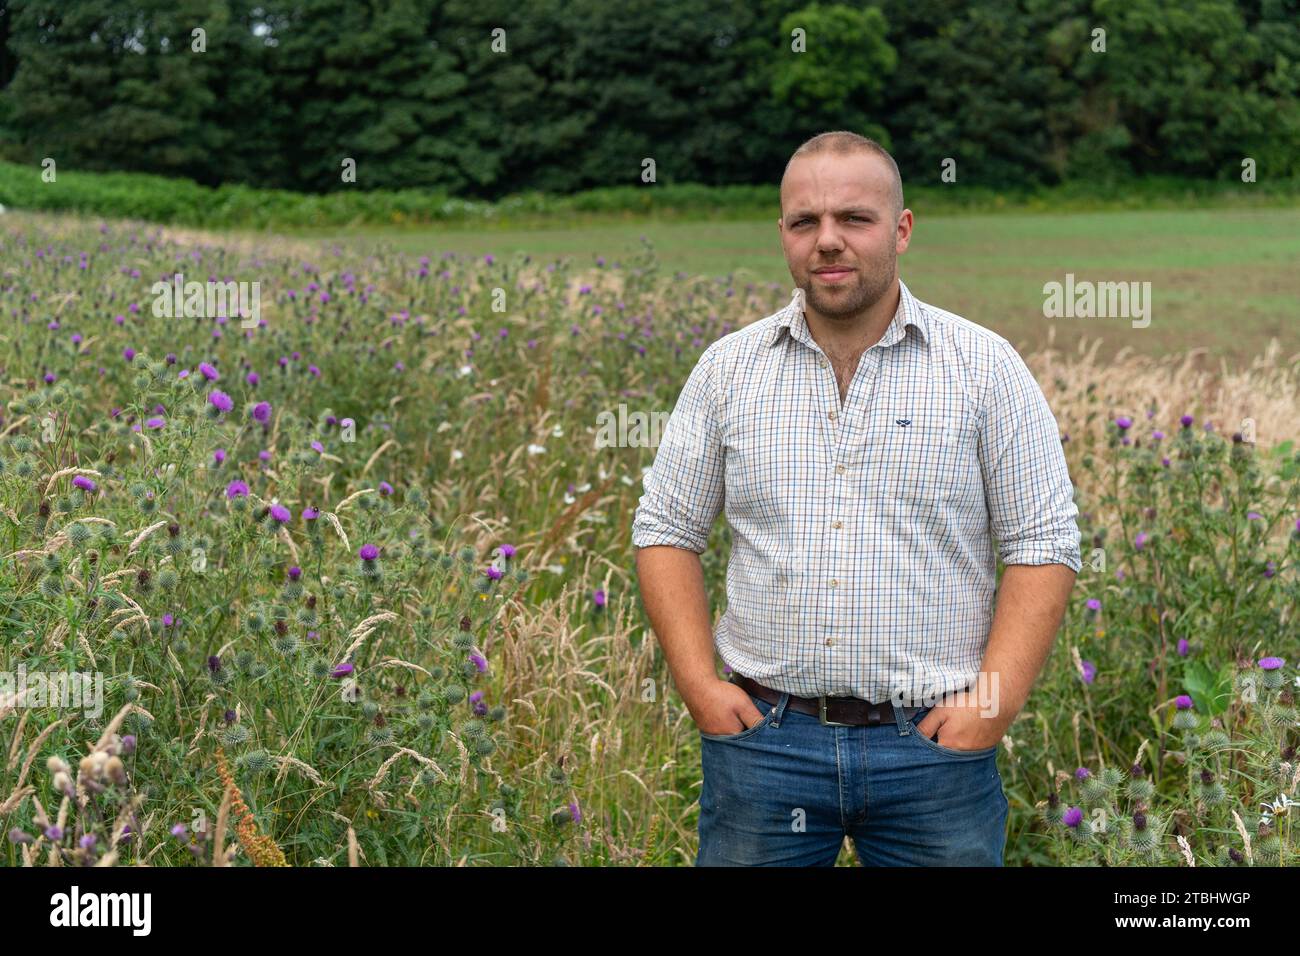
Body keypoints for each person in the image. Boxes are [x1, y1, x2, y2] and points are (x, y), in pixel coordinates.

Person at [631, 130, 1081, 866]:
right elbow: (666, 529)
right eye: (805, 222)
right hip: (763, 746)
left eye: (855, 219)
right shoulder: (727, 371)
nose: (828, 241)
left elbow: (1043, 541)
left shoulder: (984, 368)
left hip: (934, 748)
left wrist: (988, 708)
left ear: (901, 229)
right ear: (783, 234)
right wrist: (700, 688)